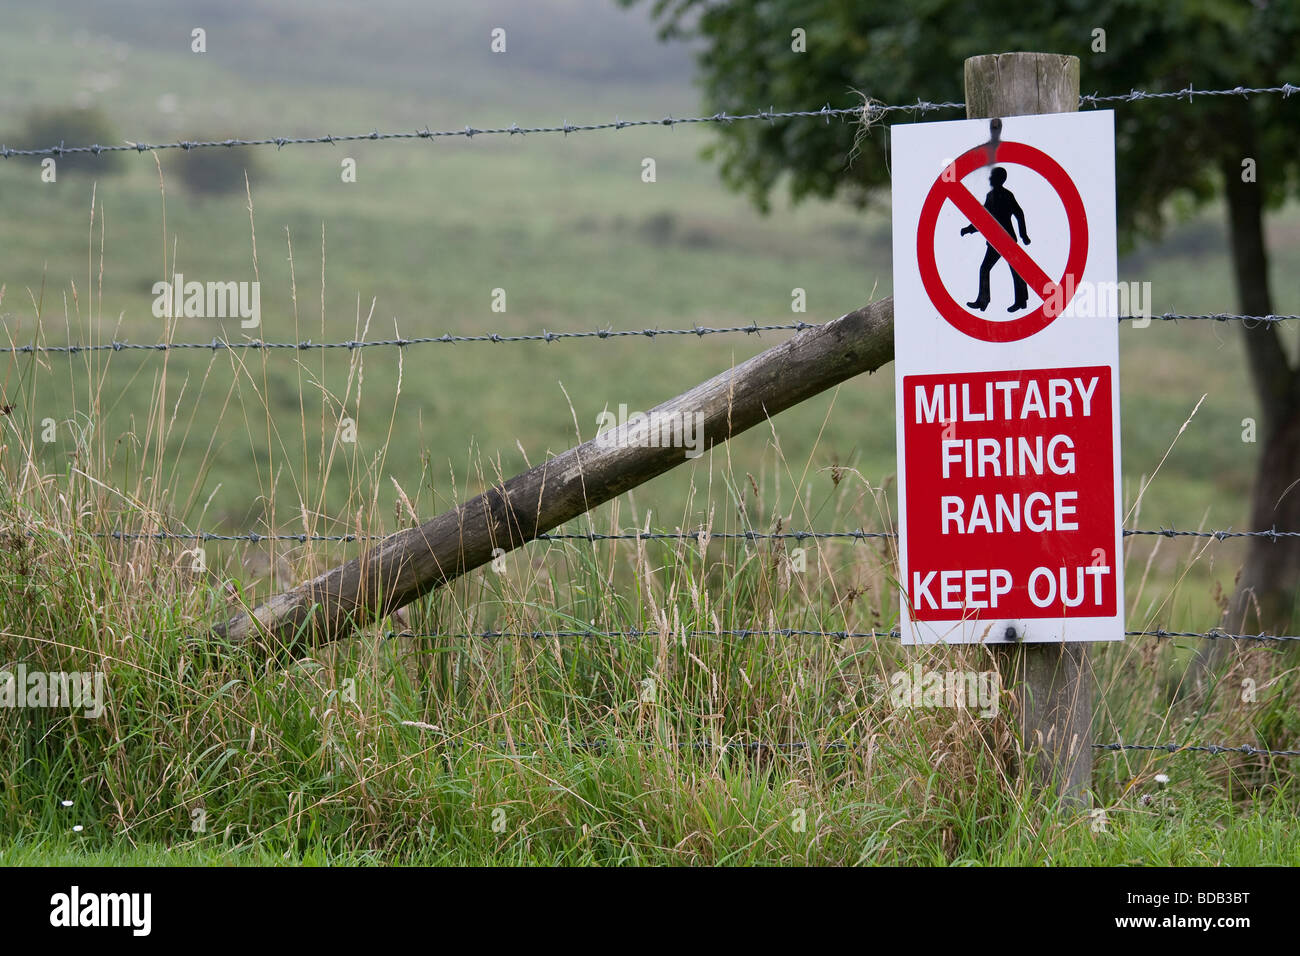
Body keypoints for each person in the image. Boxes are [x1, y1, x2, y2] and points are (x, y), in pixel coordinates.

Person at [960, 167, 1031, 312]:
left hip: (1007, 240)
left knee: (1015, 270)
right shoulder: (990, 196)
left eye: (992, 176)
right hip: (995, 241)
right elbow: (982, 218)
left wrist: (1024, 235)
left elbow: (1019, 213)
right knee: (989, 268)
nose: (989, 179)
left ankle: (1020, 301)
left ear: (999, 179)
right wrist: (969, 229)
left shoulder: (1007, 195)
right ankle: (984, 301)